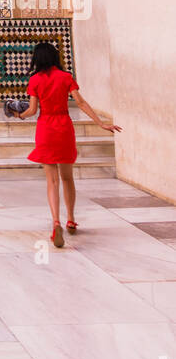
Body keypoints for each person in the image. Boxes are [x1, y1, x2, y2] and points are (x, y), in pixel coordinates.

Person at [10, 41, 121, 247]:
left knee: (52, 181)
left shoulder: (35, 80)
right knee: (68, 178)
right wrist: (100, 123)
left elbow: (32, 110)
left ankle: (55, 222)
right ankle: (71, 219)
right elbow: (80, 102)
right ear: (54, 57)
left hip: (45, 128)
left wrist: (19, 115)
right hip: (63, 127)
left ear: (37, 59)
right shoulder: (66, 77)